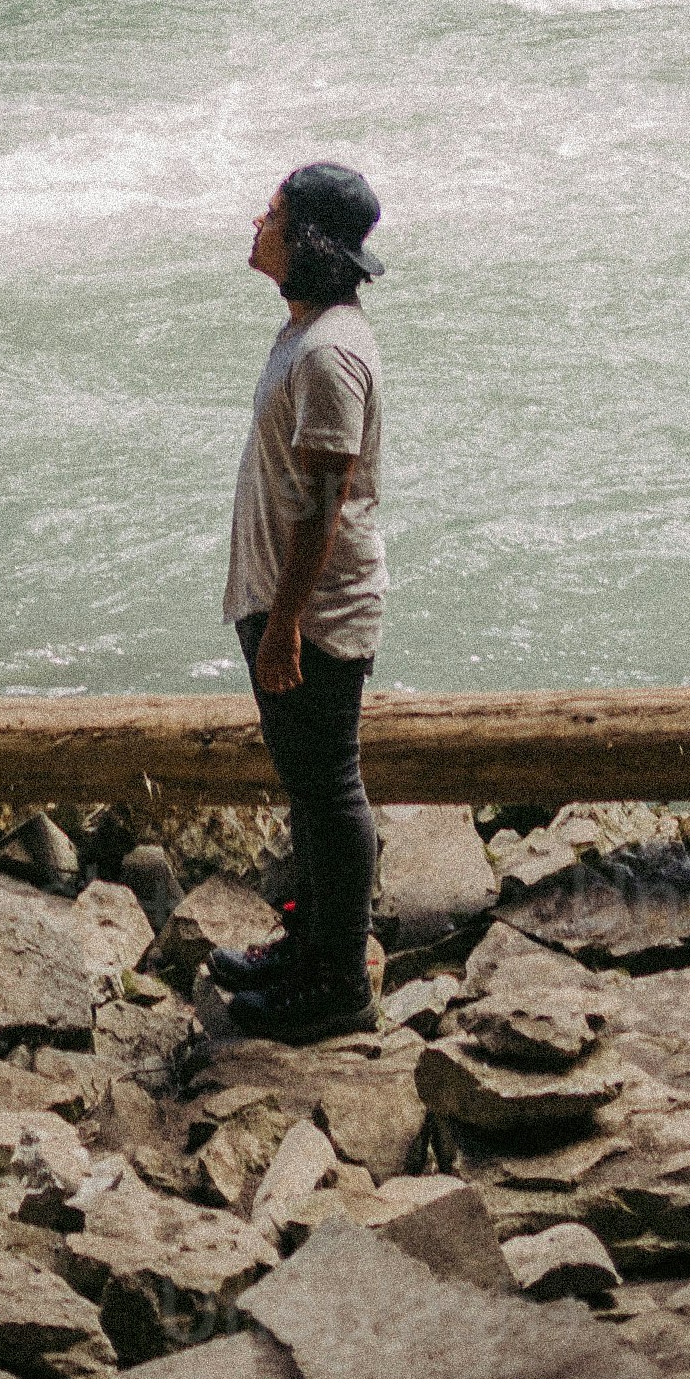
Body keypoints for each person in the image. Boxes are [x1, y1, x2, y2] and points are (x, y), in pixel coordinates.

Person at [219, 155, 386, 1038]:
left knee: (331, 789)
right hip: (288, 601)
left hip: (313, 613)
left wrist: (285, 623)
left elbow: (326, 502)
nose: (258, 221)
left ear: (309, 240)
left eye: (274, 214)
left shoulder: (327, 353)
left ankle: (340, 984)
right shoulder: (309, 330)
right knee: (309, 786)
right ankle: (310, 949)